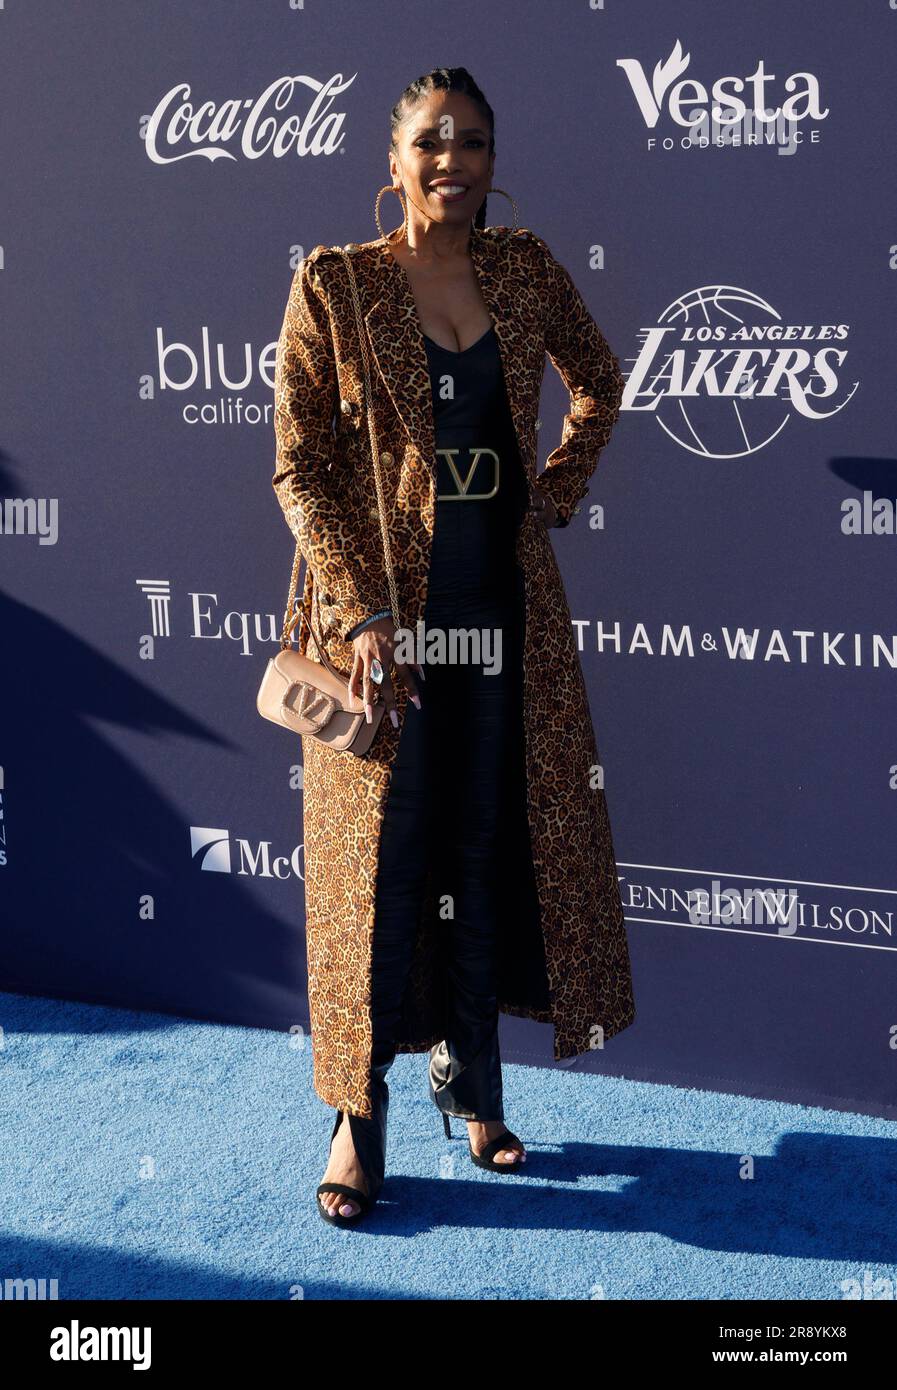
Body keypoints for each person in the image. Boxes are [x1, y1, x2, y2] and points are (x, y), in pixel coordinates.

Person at [271, 66, 636, 1229]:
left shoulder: (524, 271)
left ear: (491, 161)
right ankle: (356, 1114)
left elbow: (601, 384)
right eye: (432, 141)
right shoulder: (337, 285)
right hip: (380, 636)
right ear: (396, 162)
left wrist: (551, 497)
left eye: (473, 142)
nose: (453, 160)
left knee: (484, 850)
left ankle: (471, 1081)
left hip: (503, 626)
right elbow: (299, 466)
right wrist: (366, 613)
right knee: (374, 877)